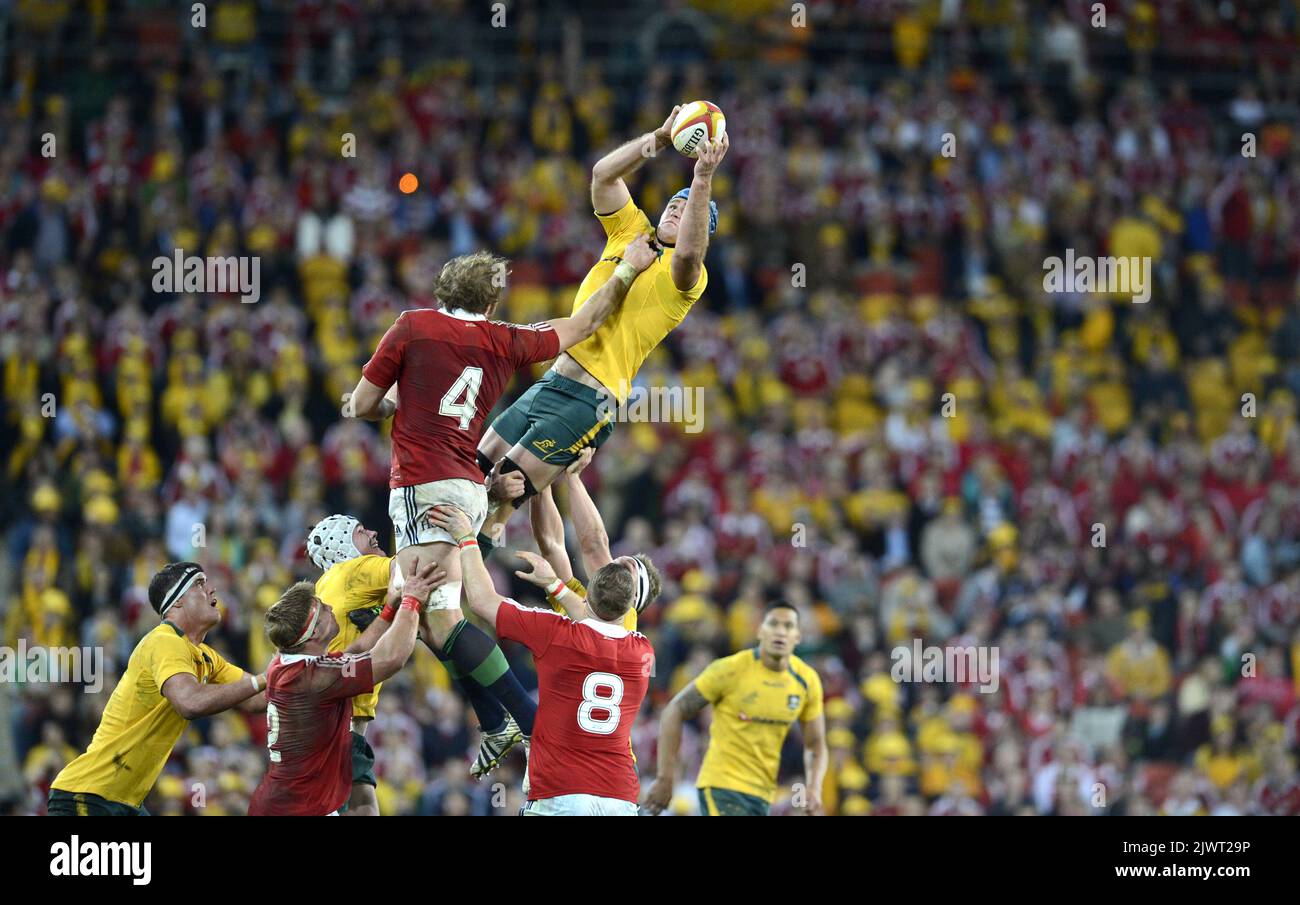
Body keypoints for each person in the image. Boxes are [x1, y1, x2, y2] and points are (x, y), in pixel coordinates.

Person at [341, 242, 658, 751]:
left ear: (443, 288)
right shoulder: (505, 339)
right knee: (429, 610)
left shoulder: (410, 325)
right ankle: (498, 722)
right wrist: (625, 271)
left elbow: (361, 406)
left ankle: (520, 725)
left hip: (424, 486)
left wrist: (387, 404)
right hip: (470, 485)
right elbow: (583, 324)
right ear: (491, 304)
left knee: (432, 617)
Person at [477, 107, 729, 539]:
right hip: (551, 380)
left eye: (689, 210)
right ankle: (423, 587)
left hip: (590, 399)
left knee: (502, 498)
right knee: (472, 473)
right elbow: (603, 176)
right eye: (673, 202)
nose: (677, 208)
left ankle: (454, 603)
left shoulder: (688, 277)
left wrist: (701, 179)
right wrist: (661, 138)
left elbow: (689, 254)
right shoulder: (630, 231)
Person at [430, 505, 651, 816]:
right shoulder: (642, 650)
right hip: (619, 797)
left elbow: (481, 601)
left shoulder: (555, 633)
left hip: (558, 791)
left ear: (589, 594)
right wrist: (556, 587)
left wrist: (467, 538)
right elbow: (599, 621)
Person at [305, 514, 524, 795]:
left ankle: (495, 721)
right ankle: (513, 718)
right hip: (336, 728)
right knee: (435, 623)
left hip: (337, 724)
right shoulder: (356, 570)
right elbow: (420, 565)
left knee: (363, 807)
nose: (372, 532)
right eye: (360, 531)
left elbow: (356, 650)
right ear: (342, 546)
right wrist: (475, 524)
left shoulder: (334, 585)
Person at [48, 563, 267, 816]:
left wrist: (300, 665)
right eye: (199, 583)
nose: (211, 588)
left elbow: (258, 699)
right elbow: (190, 702)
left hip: (123, 801)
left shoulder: (206, 656)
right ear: (177, 602)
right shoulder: (163, 640)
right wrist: (264, 677)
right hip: (89, 793)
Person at [246, 558, 442, 816]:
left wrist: (389, 610)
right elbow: (392, 658)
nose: (331, 607)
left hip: (287, 801)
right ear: (314, 633)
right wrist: (412, 602)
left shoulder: (289, 664)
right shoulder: (316, 678)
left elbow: (353, 653)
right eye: (323, 608)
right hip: (301, 808)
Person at [642, 602, 829, 816]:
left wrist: (814, 787)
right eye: (773, 624)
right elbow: (675, 709)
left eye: (788, 626)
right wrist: (666, 778)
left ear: (798, 636)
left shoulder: (806, 680)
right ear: (760, 630)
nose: (780, 631)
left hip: (763, 793)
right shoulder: (730, 670)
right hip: (722, 786)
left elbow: (815, 743)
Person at [517, 447, 662, 631]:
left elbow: (595, 546)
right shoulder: (577, 601)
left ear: (632, 602)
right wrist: (541, 481)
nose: (610, 570)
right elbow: (550, 544)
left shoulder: (627, 624)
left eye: (621, 574)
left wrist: (573, 476)